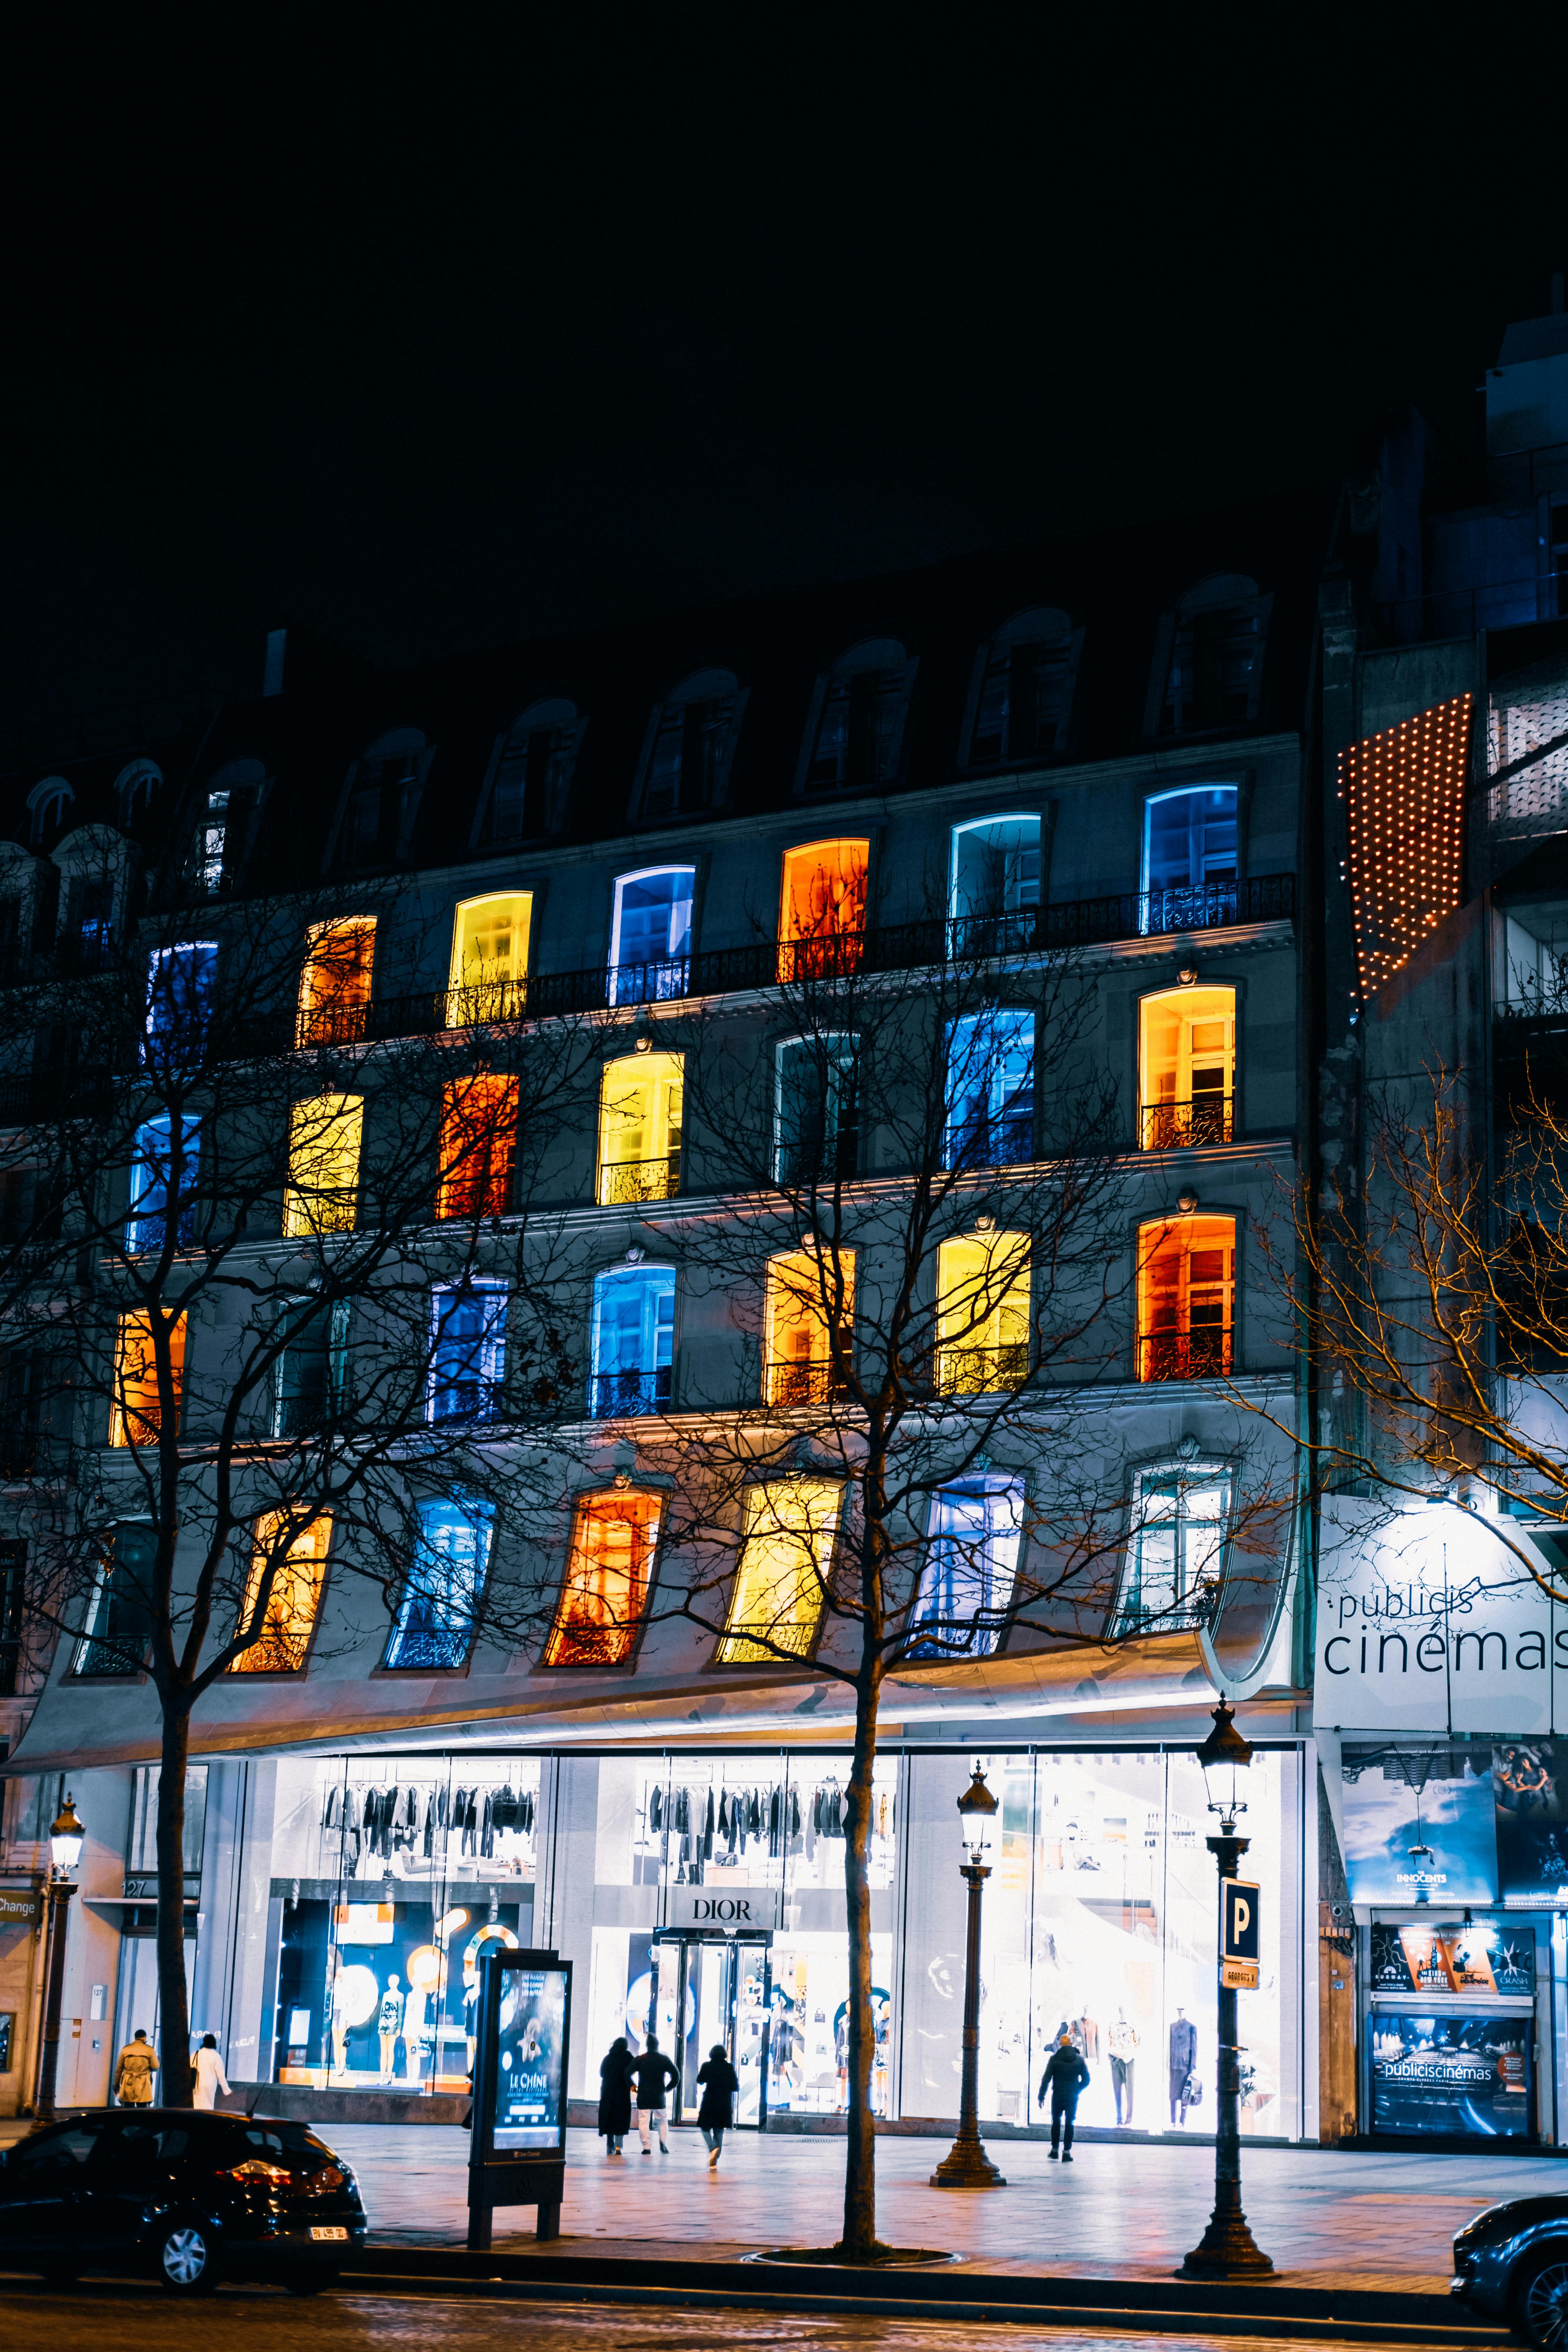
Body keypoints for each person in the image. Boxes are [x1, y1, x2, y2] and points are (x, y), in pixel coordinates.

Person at [1038, 2028, 1090, 2162]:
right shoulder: (1079, 2060)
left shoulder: (1054, 2059)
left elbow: (1046, 2079)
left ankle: (1055, 2151)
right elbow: (1086, 2080)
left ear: (1061, 2045)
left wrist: (1041, 2097)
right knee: (1070, 2123)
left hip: (1058, 2095)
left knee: (1056, 2121)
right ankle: (1066, 2153)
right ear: (1071, 2044)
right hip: (1072, 2097)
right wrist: (1077, 2089)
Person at [629, 2030, 680, 2153]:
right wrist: (668, 2088)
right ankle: (663, 2144)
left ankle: (646, 2147)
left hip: (644, 2095)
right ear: (658, 2045)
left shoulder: (640, 2059)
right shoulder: (664, 2059)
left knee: (644, 2121)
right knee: (662, 2120)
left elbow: (627, 2073)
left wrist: (633, 2086)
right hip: (659, 2095)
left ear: (647, 2045)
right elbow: (676, 2075)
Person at [695, 2041, 739, 2167]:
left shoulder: (707, 2066)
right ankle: (716, 2158)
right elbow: (735, 2087)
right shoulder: (729, 2068)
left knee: (705, 2127)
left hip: (710, 2101)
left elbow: (700, 2080)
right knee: (719, 2131)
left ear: (712, 2054)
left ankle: (712, 2147)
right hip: (724, 2102)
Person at [598, 2035, 635, 2156]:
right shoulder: (628, 2057)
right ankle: (618, 2146)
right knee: (621, 2118)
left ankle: (610, 2145)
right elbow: (631, 2071)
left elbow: (602, 2073)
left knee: (609, 2118)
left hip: (608, 2092)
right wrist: (633, 2086)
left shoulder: (608, 2058)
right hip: (622, 2093)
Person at [1108, 2007, 1139, 2125]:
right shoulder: (1113, 2026)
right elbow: (1110, 2041)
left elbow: (1138, 2043)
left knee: (1130, 2091)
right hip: (1116, 2060)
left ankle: (1129, 2119)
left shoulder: (1132, 2026)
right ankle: (1119, 2119)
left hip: (1129, 2060)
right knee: (1117, 2091)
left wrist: (1130, 2054)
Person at [1168, 2008, 1197, 2127]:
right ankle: (1173, 2121)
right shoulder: (1173, 2027)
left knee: (1185, 2095)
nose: (1180, 2012)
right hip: (1174, 2065)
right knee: (1173, 2096)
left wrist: (1192, 2068)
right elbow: (1170, 2046)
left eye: (1183, 2009)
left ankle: (1182, 2121)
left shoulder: (1191, 2028)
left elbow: (1194, 2049)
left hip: (1185, 2067)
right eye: (1179, 2009)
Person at [115, 2028, 158, 2106]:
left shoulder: (125, 2049)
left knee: (128, 2107)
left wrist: (117, 2084)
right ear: (144, 2038)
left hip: (128, 2082)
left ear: (135, 2038)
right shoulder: (150, 2050)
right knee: (142, 2108)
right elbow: (156, 2066)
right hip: (144, 2083)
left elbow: (119, 2069)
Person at [193, 2033, 230, 2110]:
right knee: (208, 2107)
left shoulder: (196, 2054)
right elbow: (221, 2075)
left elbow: (189, 2067)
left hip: (196, 2085)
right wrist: (227, 2091)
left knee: (196, 2106)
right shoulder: (216, 2056)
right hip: (209, 2086)